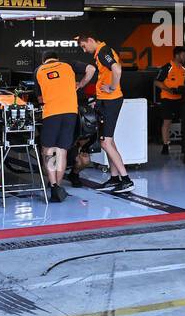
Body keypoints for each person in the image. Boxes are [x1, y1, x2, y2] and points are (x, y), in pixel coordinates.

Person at [76, 34, 133, 192]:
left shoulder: (102, 51)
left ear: (90, 40)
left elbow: (117, 69)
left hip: (111, 100)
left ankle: (126, 179)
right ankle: (114, 178)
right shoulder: (102, 52)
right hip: (106, 101)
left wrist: (112, 87)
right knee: (109, 141)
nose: (84, 50)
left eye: (83, 46)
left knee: (105, 142)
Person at [35, 55, 79, 203]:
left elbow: (40, 99)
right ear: (57, 58)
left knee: (48, 149)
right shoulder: (67, 67)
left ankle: (53, 186)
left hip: (51, 113)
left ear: (44, 60)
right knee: (61, 151)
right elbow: (91, 69)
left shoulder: (39, 70)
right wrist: (80, 85)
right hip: (71, 112)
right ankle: (58, 187)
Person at [154, 46, 185, 156]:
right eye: (184, 55)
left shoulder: (184, 70)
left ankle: (184, 144)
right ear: (177, 55)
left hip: (180, 99)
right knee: (167, 122)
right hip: (167, 99)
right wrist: (169, 90)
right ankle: (165, 145)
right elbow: (156, 82)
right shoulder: (167, 67)